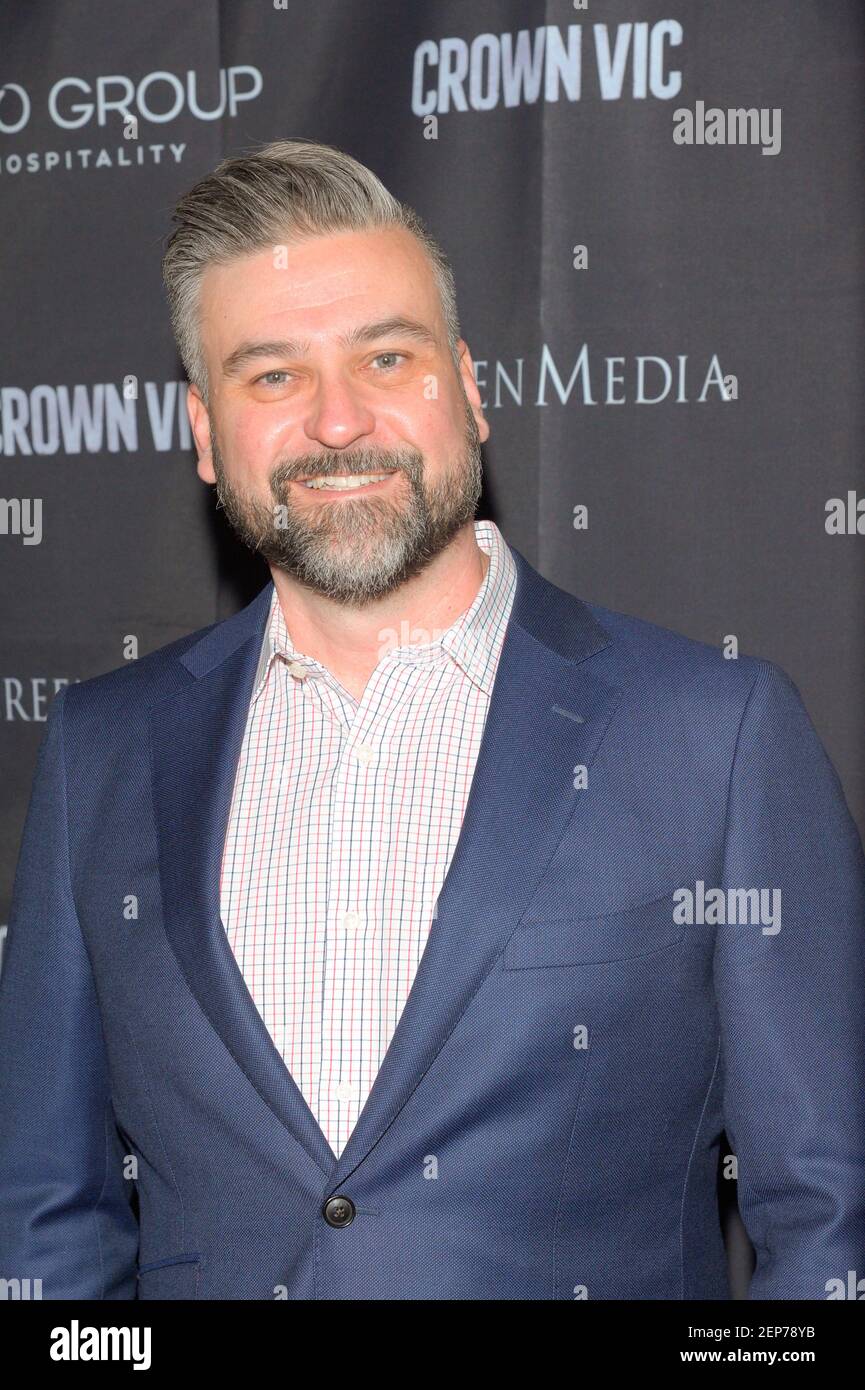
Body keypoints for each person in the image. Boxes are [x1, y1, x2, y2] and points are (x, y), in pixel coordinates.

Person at [0, 139, 863, 1301]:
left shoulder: (711, 734)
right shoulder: (102, 750)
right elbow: (46, 1216)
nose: (338, 420)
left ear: (466, 388)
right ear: (206, 436)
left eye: (386, 357)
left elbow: (829, 1218)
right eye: (271, 377)